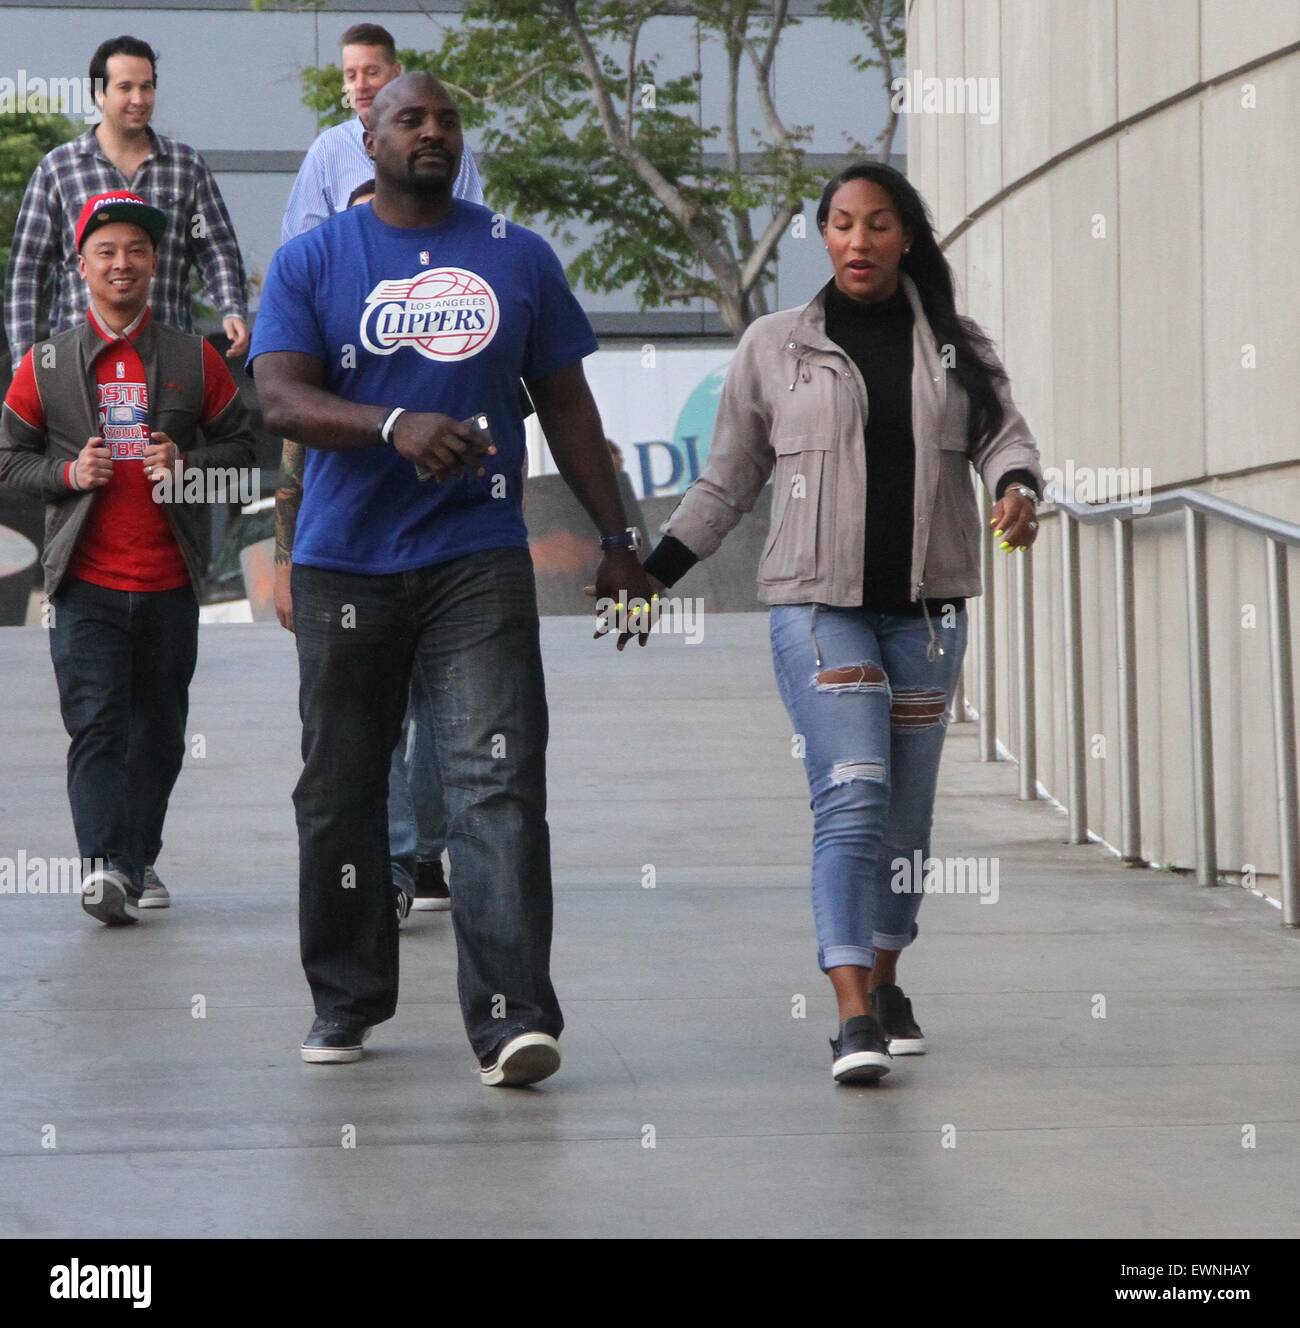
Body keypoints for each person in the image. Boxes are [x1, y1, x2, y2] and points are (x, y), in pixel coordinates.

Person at [248, 73, 655, 1078]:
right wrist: (392, 425)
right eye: (409, 120)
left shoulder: (517, 254)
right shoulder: (313, 257)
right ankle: (345, 999)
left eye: (445, 121)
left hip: (476, 557)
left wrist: (617, 536)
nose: (431, 133)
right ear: (368, 136)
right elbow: (281, 397)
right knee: (340, 790)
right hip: (347, 563)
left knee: (495, 782)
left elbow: (566, 404)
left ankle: (513, 1016)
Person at [638, 161, 1044, 1084]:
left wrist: (1017, 486)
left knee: (905, 818)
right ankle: (852, 1012)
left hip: (928, 618)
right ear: (822, 237)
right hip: (819, 610)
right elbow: (727, 480)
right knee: (853, 789)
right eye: (842, 225)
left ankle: (889, 979)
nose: (859, 241)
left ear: (908, 238)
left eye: (879, 225)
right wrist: (653, 575)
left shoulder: (953, 345)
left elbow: (1004, 436)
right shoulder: (774, 347)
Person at [0, 191, 258, 924]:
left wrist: (188, 460)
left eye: (136, 251)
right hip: (83, 582)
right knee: (97, 722)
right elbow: (7, 459)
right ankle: (101, 866)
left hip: (171, 580)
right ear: (80, 265)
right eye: (106, 251)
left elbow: (242, 452)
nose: (122, 264)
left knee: (161, 732)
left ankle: (137, 857)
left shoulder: (190, 356)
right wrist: (66, 474)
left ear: (155, 263)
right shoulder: (46, 364)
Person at [274, 176, 451, 928]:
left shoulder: (442, 320)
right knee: (367, 731)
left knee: (440, 723)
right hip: (349, 561)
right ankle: (391, 867)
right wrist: (285, 564)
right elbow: (291, 471)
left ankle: (427, 849)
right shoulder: (321, 332)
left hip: (451, 558)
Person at [4, 35, 249, 368]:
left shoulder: (185, 166)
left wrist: (231, 307)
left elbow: (214, 245)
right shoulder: (59, 169)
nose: (139, 99)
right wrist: (23, 360)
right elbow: (27, 271)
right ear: (99, 94)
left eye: (147, 87)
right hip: (79, 364)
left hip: (167, 361)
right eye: (125, 87)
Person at [280, 22, 483, 244]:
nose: (360, 85)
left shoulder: (440, 146)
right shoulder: (327, 150)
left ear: (396, 73)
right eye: (351, 76)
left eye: (371, 72)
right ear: (370, 144)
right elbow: (301, 242)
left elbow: (472, 230)